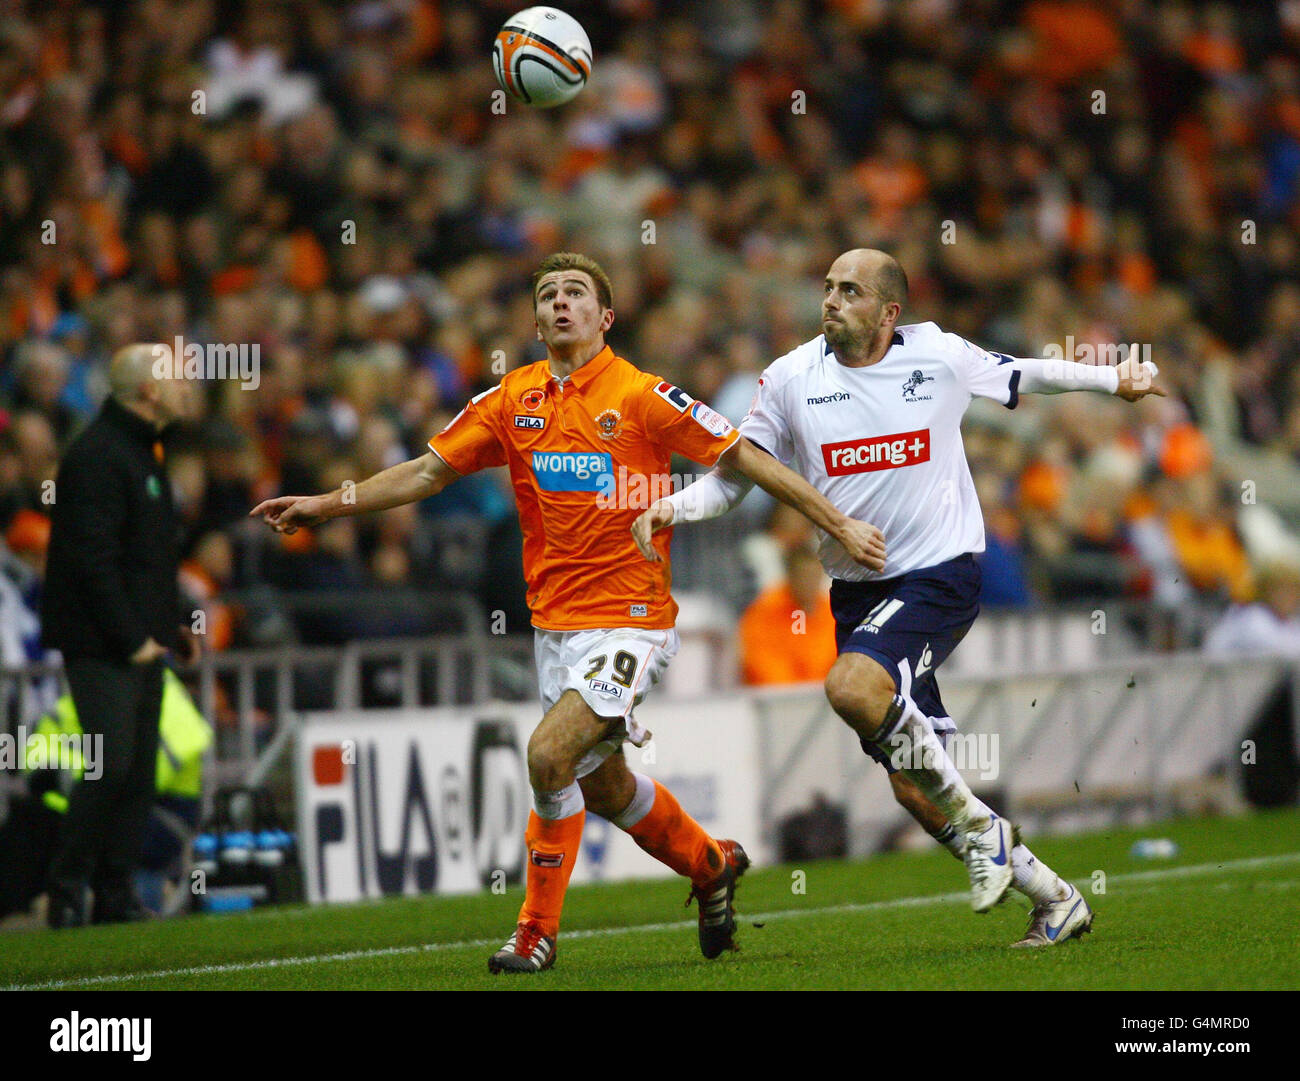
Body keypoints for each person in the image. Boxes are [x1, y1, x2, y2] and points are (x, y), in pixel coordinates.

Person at [252, 251, 882, 973]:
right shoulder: (511, 400)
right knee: (602, 785)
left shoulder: (643, 396)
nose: (559, 302)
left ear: (604, 316)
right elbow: (428, 470)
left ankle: (534, 931)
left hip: (633, 618)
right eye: (547, 293)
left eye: (575, 292)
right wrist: (330, 503)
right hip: (555, 626)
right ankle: (710, 863)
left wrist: (833, 522)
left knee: (548, 754)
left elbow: (743, 457)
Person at [634, 248, 1166, 945]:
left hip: (941, 573)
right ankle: (1056, 897)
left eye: (849, 290)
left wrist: (1112, 379)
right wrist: (674, 506)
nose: (830, 299)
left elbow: (1023, 373)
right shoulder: (791, 378)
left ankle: (984, 830)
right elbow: (737, 475)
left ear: (889, 313)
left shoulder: (938, 354)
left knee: (852, 686)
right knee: (914, 788)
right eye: (826, 286)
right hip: (859, 594)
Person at [39, 343, 194, 928]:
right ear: (149, 391)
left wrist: (170, 628)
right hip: (102, 642)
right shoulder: (100, 456)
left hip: (139, 639)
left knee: (138, 768)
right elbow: (91, 561)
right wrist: (133, 638)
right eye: (178, 375)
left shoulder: (141, 450)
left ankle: (115, 890)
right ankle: (67, 886)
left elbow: (145, 559)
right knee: (113, 761)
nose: (188, 384)